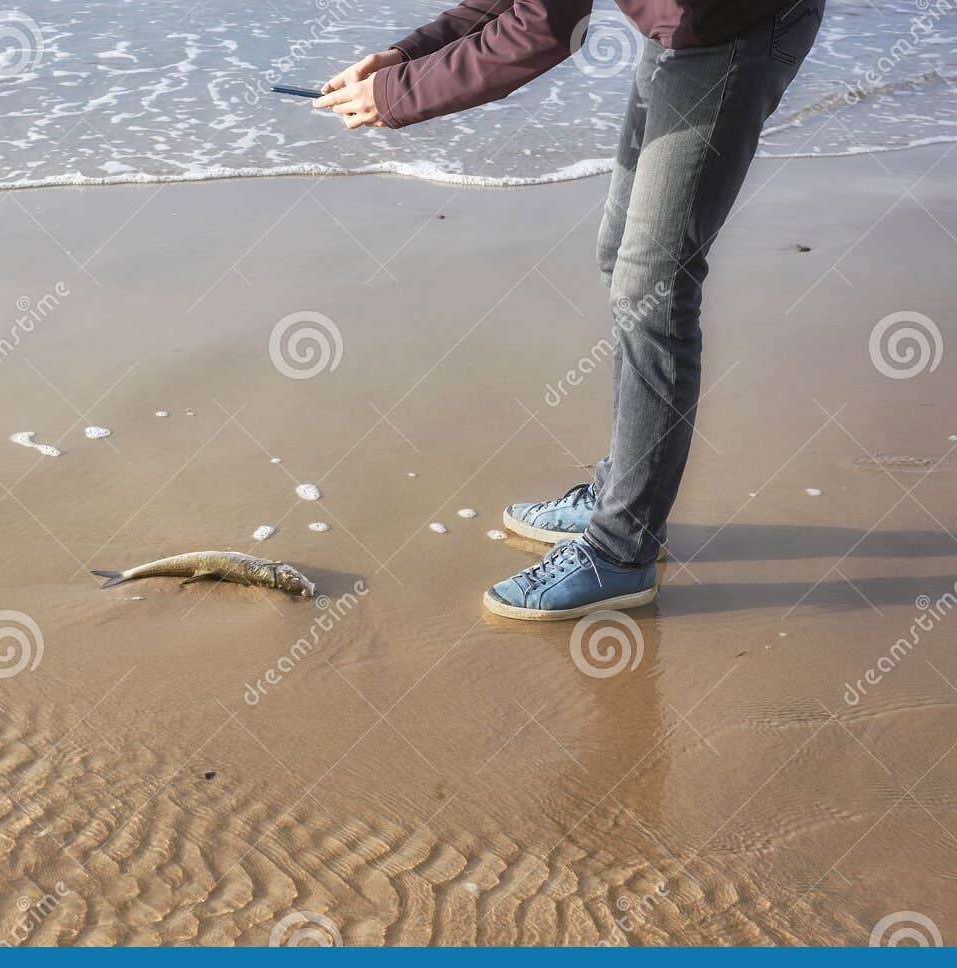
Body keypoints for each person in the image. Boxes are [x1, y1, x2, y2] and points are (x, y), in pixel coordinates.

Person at [316, 1, 825, 620]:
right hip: (682, 27)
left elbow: (544, 26)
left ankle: (621, 549)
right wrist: (409, 54)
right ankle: (622, 495)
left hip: (737, 27)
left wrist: (397, 94)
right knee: (623, 259)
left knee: (653, 287)